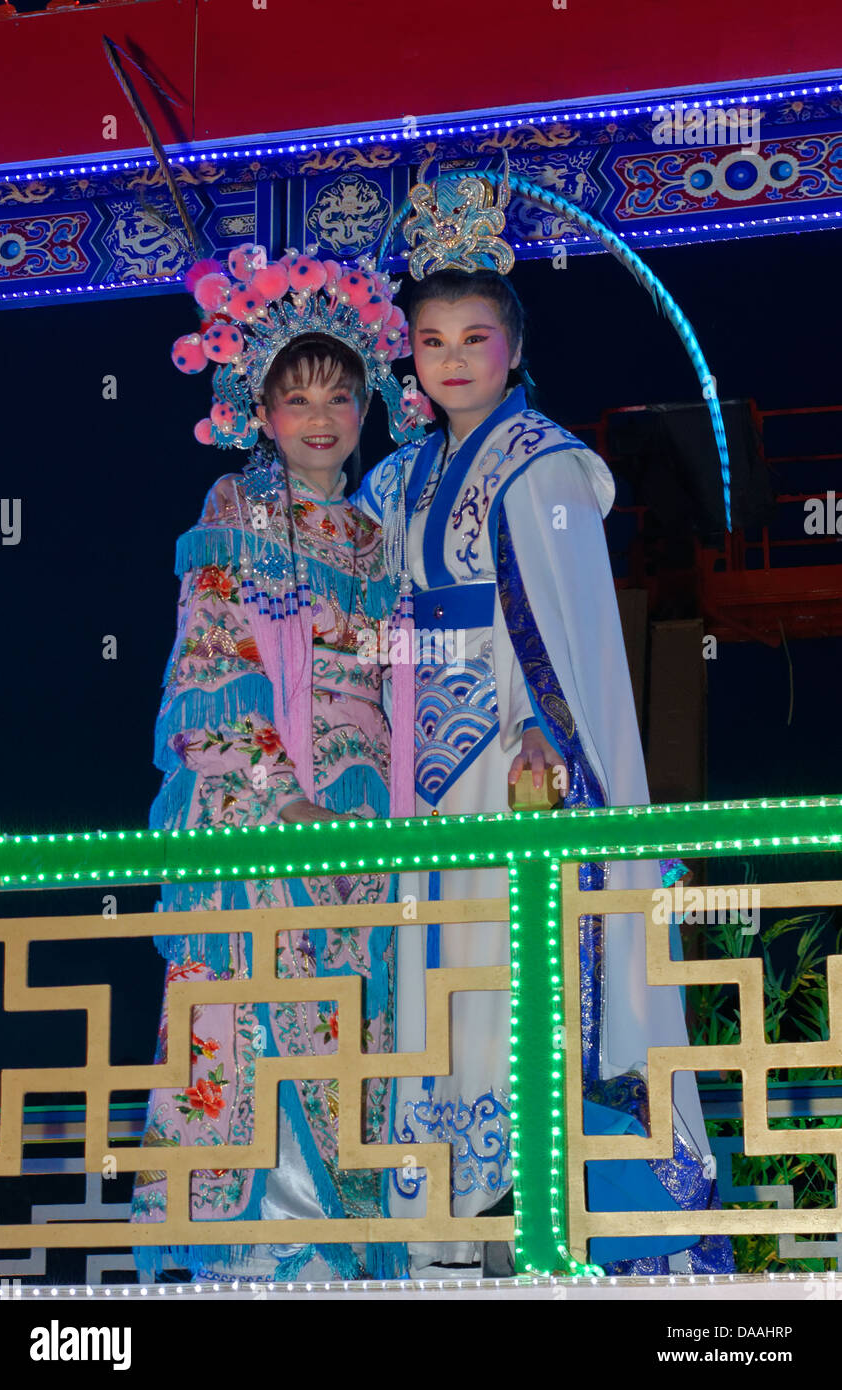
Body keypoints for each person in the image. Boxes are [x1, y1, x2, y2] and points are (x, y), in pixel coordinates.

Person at [353, 257, 734, 1277]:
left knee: (521, 974)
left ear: (513, 347)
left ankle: (555, 1212)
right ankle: (444, 1218)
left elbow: (570, 633)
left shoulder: (543, 463)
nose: (452, 360)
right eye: (431, 342)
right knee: (435, 973)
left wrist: (548, 730)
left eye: (475, 338)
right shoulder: (402, 477)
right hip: (419, 763)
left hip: (512, 759)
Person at [130, 242, 425, 1284]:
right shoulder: (235, 511)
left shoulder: (381, 534)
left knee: (363, 1012)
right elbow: (212, 661)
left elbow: (411, 679)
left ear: (368, 407)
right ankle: (253, 1257)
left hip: (371, 806)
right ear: (258, 413)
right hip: (265, 809)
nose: (319, 418)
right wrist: (277, 790)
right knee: (253, 1010)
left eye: (339, 397)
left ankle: (346, 1254)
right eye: (294, 398)